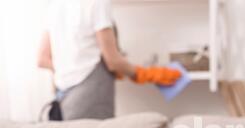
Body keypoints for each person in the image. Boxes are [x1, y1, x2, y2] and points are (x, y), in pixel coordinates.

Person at [37, 0, 181, 121]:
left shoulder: (55, 5)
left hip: (62, 96)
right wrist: (145, 73)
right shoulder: (97, 3)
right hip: (91, 95)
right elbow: (112, 61)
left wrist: (70, 67)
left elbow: (42, 59)